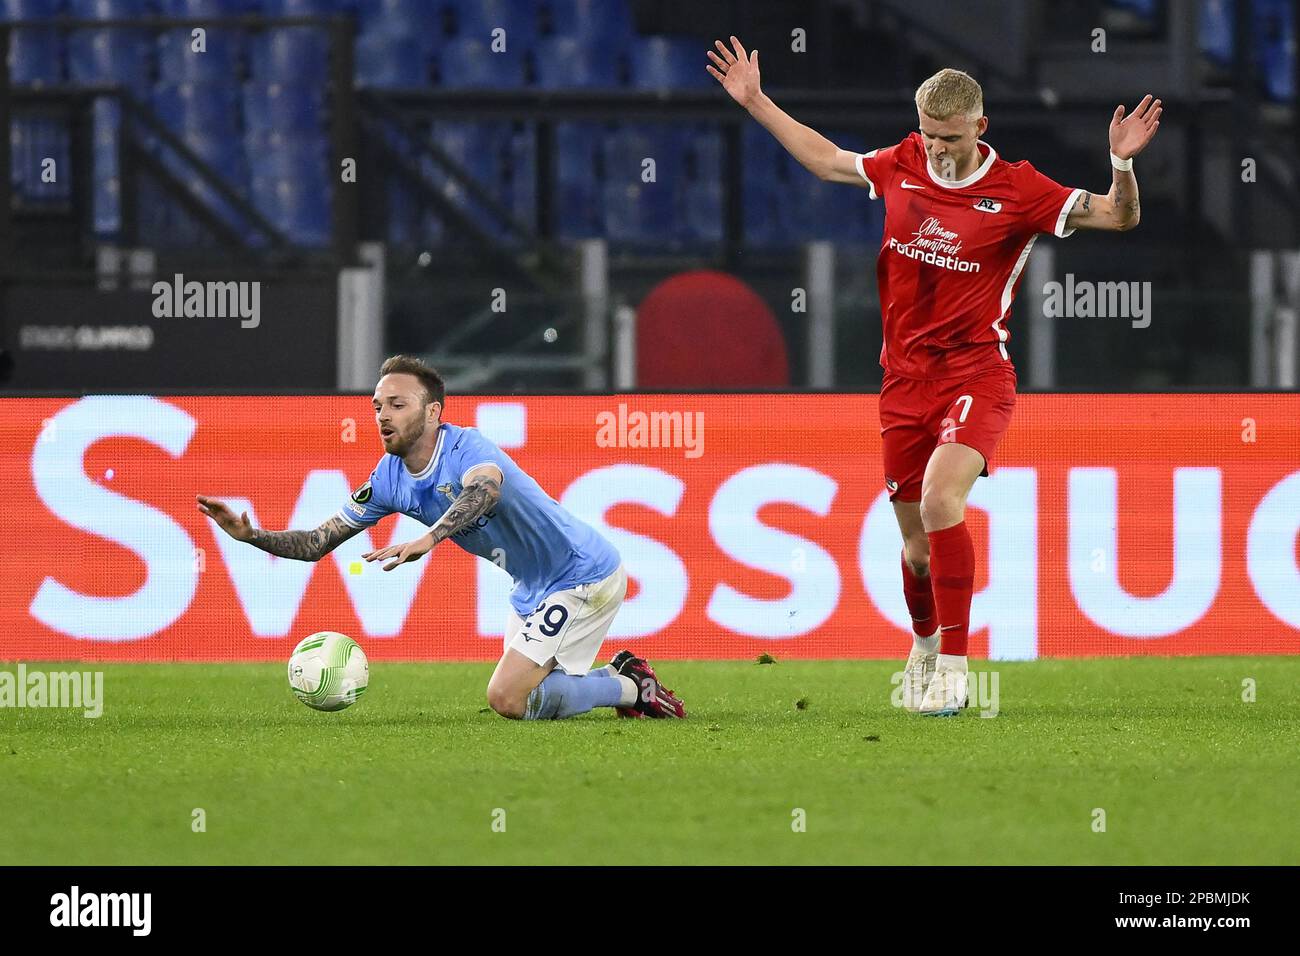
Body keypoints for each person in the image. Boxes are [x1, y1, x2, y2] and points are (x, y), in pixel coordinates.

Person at [709, 36, 1160, 714]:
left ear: (981, 127)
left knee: (942, 502)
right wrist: (758, 101)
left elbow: (1117, 215)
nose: (939, 149)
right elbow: (829, 160)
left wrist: (1120, 163)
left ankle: (955, 668)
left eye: (950, 136)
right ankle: (923, 645)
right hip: (904, 382)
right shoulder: (902, 164)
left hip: (977, 373)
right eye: (929, 134)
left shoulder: (1018, 189)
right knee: (917, 548)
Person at [198, 354, 686, 721]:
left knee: (506, 698)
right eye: (376, 406)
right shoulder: (388, 478)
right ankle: (627, 679)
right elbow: (317, 542)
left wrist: (428, 539)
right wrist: (250, 536)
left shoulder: (465, 445)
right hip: (532, 589)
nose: (382, 415)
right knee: (536, 696)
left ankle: (629, 688)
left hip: (582, 573)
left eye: (397, 404)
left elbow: (485, 490)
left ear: (432, 412)